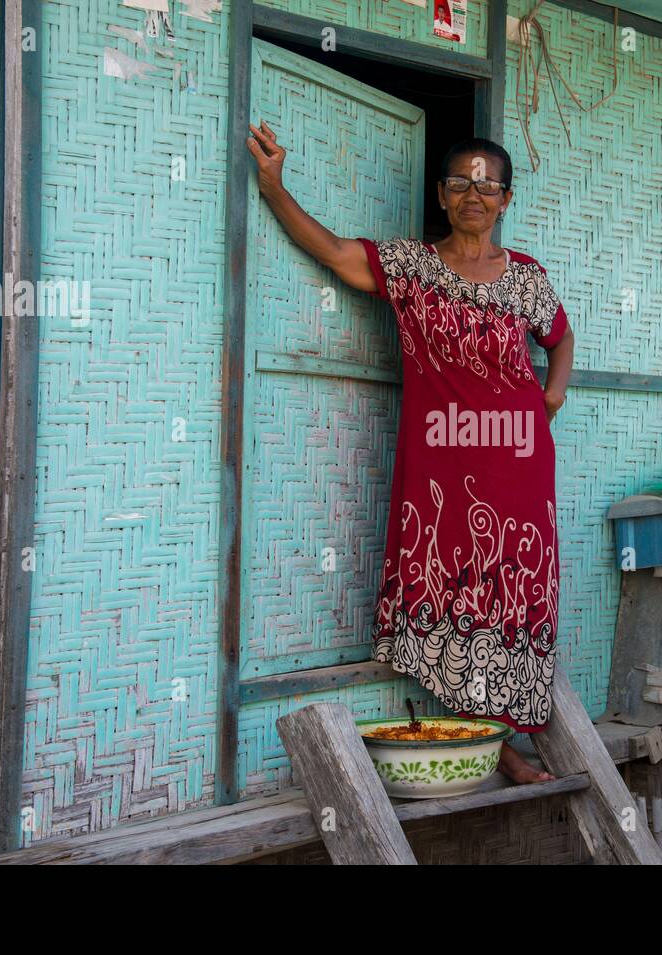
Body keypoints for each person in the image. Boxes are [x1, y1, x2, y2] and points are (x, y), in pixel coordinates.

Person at [247, 122, 575, 784]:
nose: (473, 193)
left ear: (505, 199)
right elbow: (337, 253)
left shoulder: (528, 278)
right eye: (461, 182)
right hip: (444, 469)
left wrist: (551, 396)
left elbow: (560, 338)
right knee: (451, 587)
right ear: (442, 194)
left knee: (514, 591)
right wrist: (275, 188)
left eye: (487, 184)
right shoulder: (412, 268)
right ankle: (497, 747)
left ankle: (504, 738)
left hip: (519, 463)